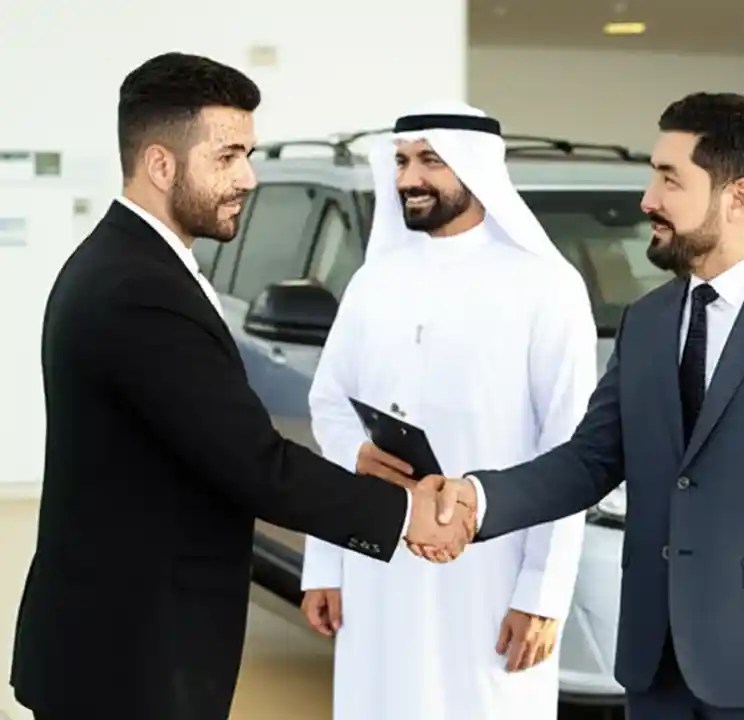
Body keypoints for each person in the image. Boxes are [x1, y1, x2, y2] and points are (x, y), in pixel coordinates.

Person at [413, 92, 744, 720]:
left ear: (739, 197)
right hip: (654, 670)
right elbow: (590, 460)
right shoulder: (646, 321)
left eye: (670, 179)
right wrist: (477, 499)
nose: (648, 199)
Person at [8, 52, 459, 720]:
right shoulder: (139, 288)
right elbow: (252, 464)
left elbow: (202, 441)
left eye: (246, 154)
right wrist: (403, 513)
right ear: (160, 164)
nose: (248, 177)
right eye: (226, 157)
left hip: (115, 641)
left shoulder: (131, 263)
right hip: (129, 658)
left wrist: (354, 470)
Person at [297, 102, 596, 720]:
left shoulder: (546, 286)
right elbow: (329, 404)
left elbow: (571, 450)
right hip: (379, 565)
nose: (409, 179)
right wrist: (325, 562)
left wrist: (542, 594)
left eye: (430, 160)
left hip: (491, 573)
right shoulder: (374, 281)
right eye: (402, 161)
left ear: (475, 166)